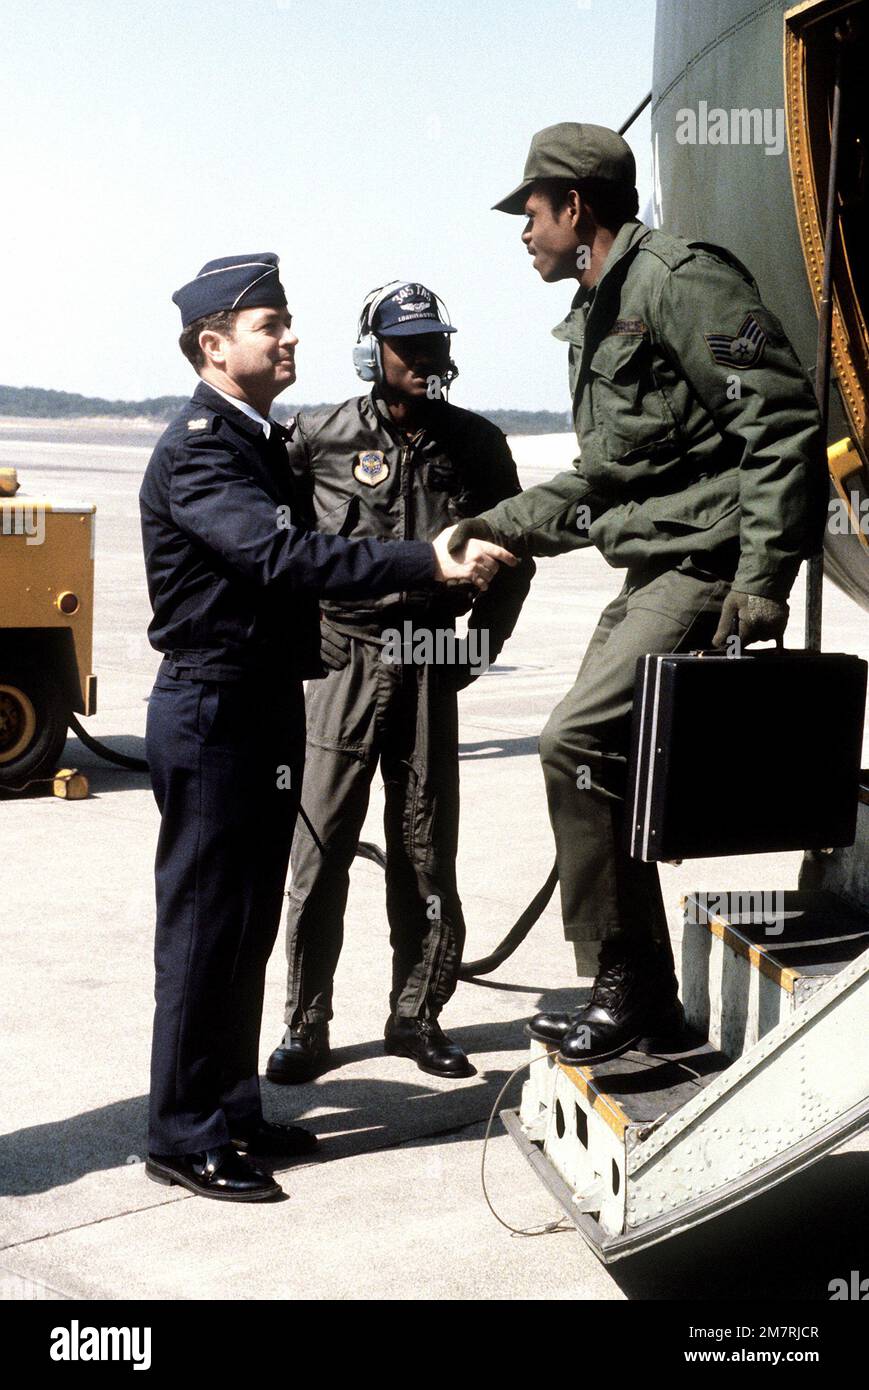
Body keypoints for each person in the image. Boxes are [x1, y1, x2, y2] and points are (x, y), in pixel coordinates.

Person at [138, 253, 516, 1201]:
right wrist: (424, 564)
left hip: (260, 702)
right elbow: (279, 553)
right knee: (205, 932)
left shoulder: (258, 438)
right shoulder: (201, 445)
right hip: (214, 705)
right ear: (213, 346)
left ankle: (231, 1112)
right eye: (271, 324)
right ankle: (182, 1135)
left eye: (290, 320)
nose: (290, 336)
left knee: (246, 925)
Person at [448, 124, 826, 1065]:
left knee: (574, 739)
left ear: (574, 209)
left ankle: (624, 983)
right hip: (656, 563)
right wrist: (492, 526)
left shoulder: (678, 280)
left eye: (529, 213)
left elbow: (779, 423)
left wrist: (761, 580)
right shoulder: (599, 308)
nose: (522, 233)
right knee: (593, 754)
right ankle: (640, 988)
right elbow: (604, 479)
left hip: (706, 563)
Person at [265, 281, 533, 1084]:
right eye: (406, 345)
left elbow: (515, 558)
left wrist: (470, 655)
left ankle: (415, 1017)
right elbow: (273, 553)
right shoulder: (315, 436)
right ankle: (305, 1026)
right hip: (341, 659)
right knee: (319, 853)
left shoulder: (476, 445)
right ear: (370, 352)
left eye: (432, 343)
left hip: (426, 662)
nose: (424, 359)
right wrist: (295, 650)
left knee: (424, 854)